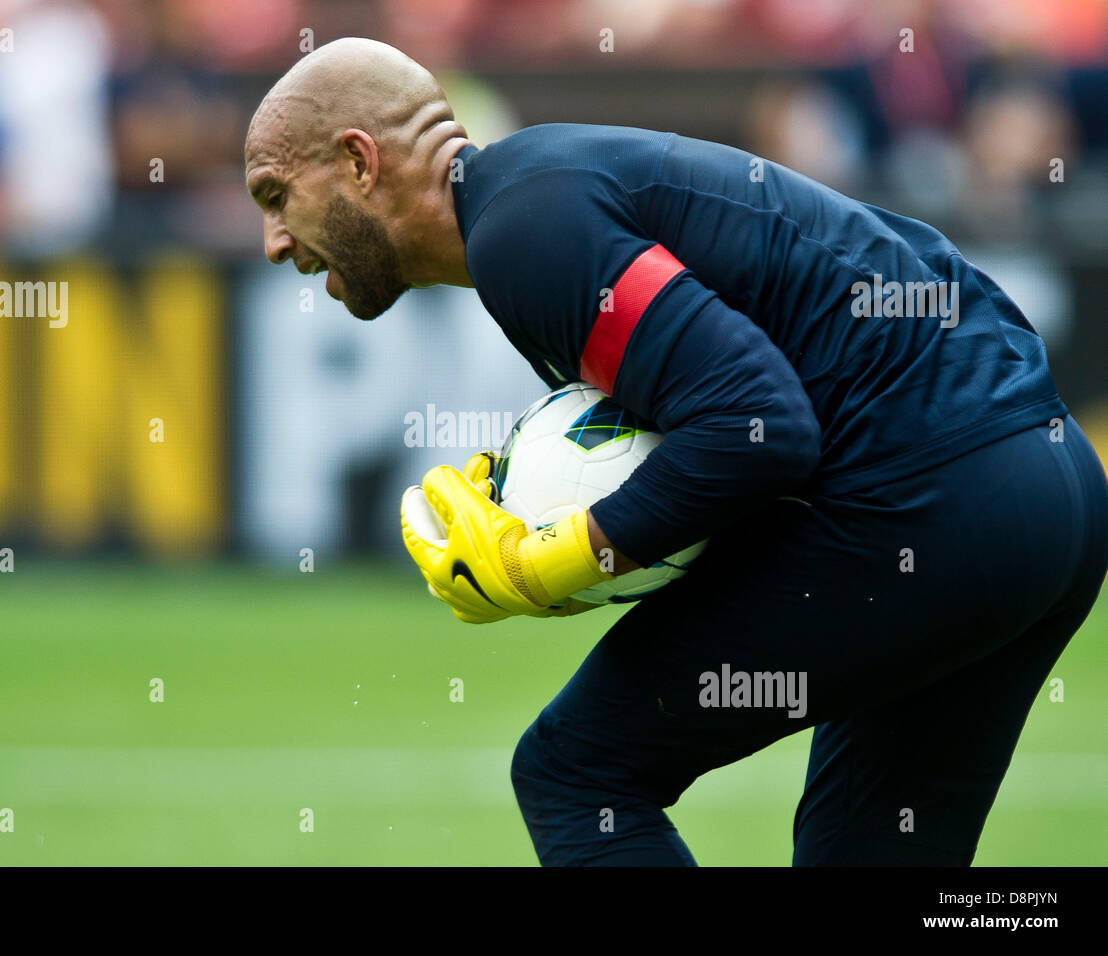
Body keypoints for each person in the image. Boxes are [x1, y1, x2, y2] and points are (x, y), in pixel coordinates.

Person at [244, 38, 1108, 866]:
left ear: (359, 162)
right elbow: (767, 424)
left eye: (276, 196)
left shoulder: (523, 231)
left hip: (936, 497)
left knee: (577, 772)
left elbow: (757, 427)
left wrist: (565, 555)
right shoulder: (535, 197)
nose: (276, 240)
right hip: (1042, 489)